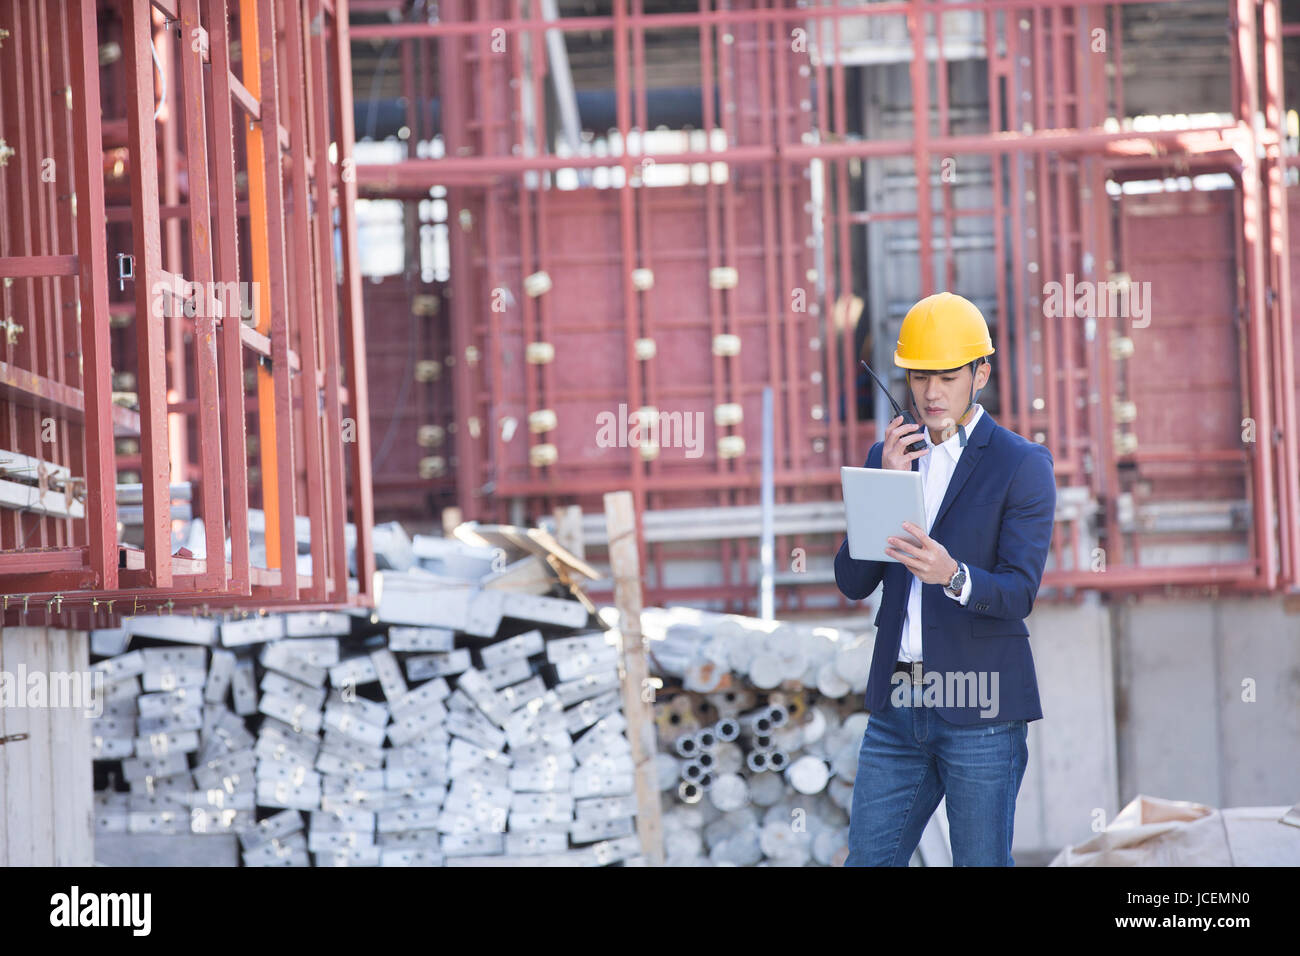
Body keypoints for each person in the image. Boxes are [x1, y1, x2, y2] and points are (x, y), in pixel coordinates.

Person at [835, 291, 1057, 866]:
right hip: (900, 703)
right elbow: (853, 580)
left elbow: (1018, 592)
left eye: (949, 377)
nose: (932, 393)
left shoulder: (1021, 464)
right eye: (920, 377)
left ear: (980, 373)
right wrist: (884, 483)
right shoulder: (890, 455)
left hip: (980, 708)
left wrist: (953, 576)